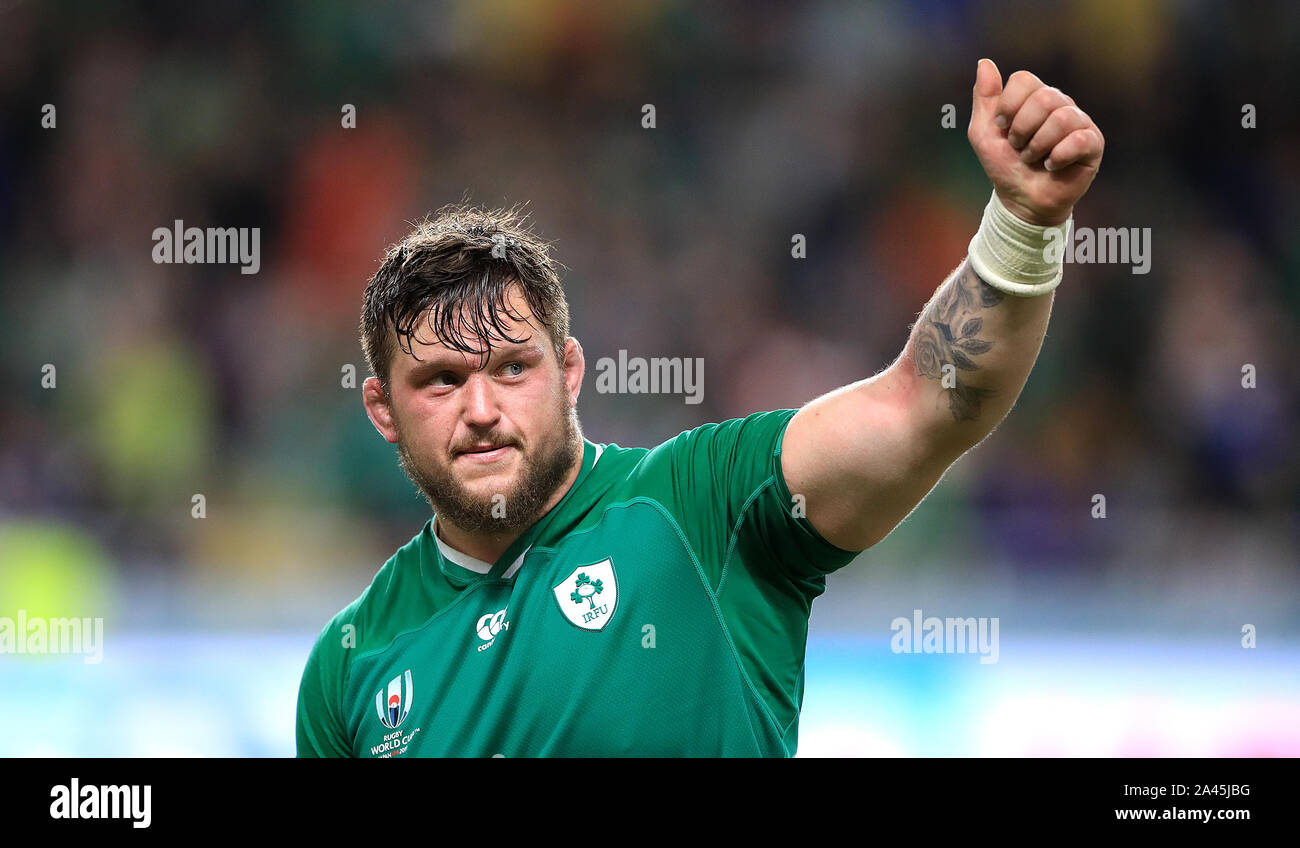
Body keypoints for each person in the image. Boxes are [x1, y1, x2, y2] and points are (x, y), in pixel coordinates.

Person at [295, 59, 1103, 756]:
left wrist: (1024, 224)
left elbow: (927, 405)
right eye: (440, 381)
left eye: (512, 368)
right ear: (381, 409)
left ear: (569, 370)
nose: (480, 408)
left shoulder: (703, 503)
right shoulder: (350, 663)